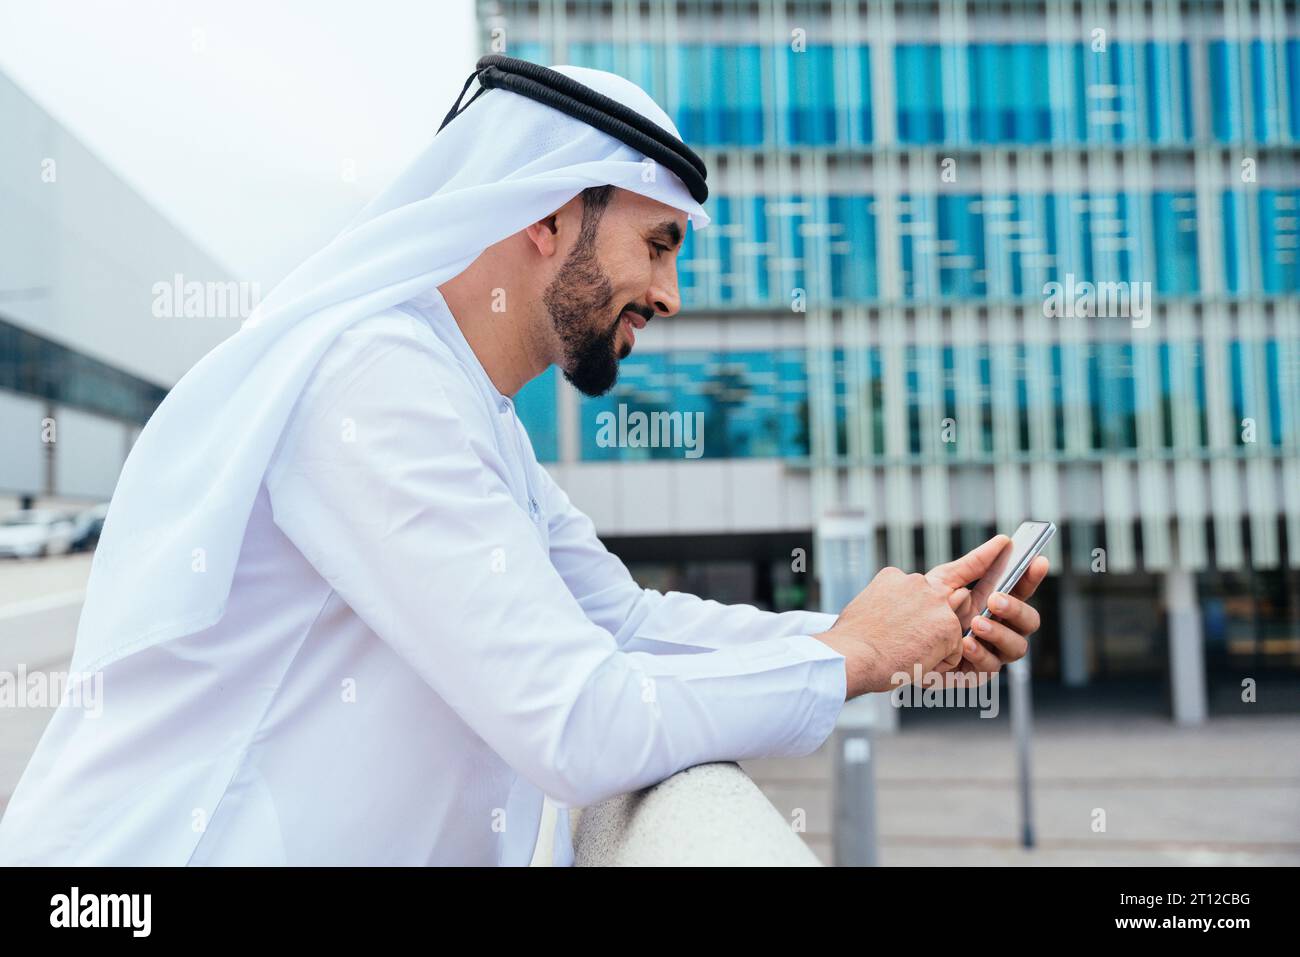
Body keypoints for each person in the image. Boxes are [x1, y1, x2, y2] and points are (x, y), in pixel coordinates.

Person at [0, 61, 1045, 866]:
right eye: (660, 246)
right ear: (550, 216)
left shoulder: (469, 409)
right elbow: (576, 725)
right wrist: (850, 661)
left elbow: (624, 625)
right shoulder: (372, 387)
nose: (669, 297)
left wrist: (883, 629)